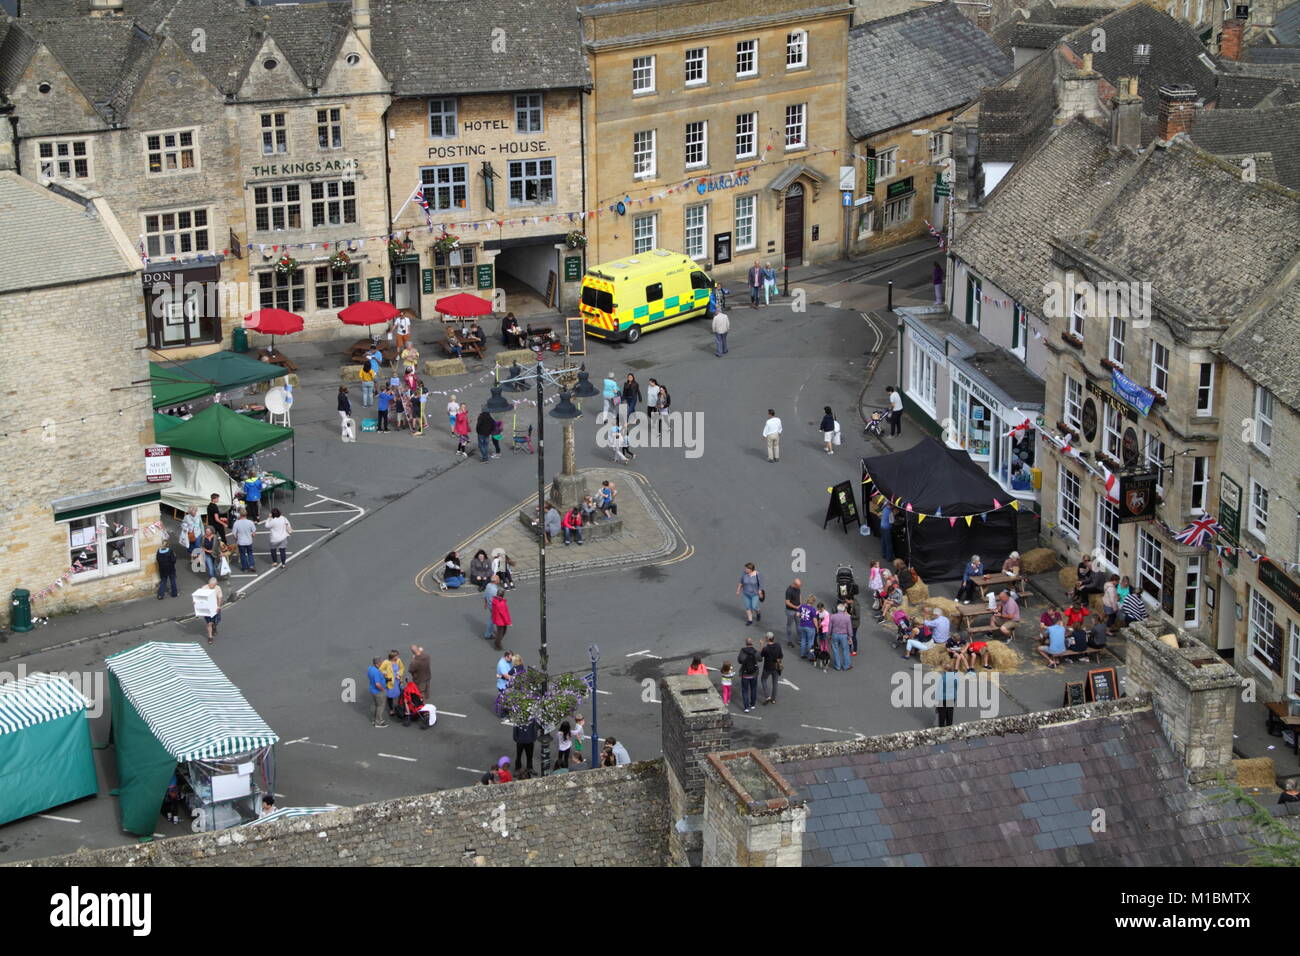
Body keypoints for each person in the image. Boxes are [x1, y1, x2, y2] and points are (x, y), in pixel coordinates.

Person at [737, 637, 760, 713]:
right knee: (753, 689)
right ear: (752, 643)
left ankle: (746, 707)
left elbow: (739, 660)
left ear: (746, 643)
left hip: (745, 674)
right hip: (754, 674)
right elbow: (760, 659)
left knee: (745, 691)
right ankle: (752, 704)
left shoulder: (742, 651)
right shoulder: (755, 651)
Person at [380, 650, 405, 717]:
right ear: (393, 656)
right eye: (397, 656)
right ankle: (391, 709)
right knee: (390, 696)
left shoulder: (398, 661)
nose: (398, 657)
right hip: (390, 682)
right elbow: (381, 669)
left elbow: (402, 668)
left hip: (397, 681)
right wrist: (385, 674)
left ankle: (399, 706)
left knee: (400, 694)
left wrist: (399, 674)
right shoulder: (386, 662)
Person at [759, 632, 784, 703]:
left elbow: (759, 656)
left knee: (763, 680)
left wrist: (761, 645)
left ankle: (767, 696)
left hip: (767, 667)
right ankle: (773, 699)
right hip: (776, 667)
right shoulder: (778, 645)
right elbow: (781, 656)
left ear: (767, 639)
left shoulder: (766, 648)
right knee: (775, 683)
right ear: (773, 638)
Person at [829, 603, 853, 671]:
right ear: (844, 609)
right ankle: (846, 666)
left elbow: (830, 627)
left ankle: (837, 666)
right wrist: (850, 637)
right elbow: (849, 628)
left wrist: (829, 635)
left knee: (835, 650)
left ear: (837, 609)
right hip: (843, 635)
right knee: (845, 650)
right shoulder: (847, 617)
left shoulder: (833, 616)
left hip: (835, 634)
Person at [937, 658, 958, 727]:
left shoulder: (943, 678)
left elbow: (940, 689)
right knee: (949, 711)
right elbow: (956, 686)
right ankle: (949, 725)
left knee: (942, 713)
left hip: (943, 698)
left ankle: (941, 726)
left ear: (945, 670)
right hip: (952, 697)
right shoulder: (955, 677)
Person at [201, 577, 222, 645]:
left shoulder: (218, 588)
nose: (211, 586)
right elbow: (199, 597)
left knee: (216, 621)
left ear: (216, 584)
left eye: (213, 585)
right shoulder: (204, 588)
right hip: (207, 608)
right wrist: (195, 602)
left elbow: (219, 598)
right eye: (210, 584)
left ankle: (214, 626)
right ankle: (210, 637)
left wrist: (218, 606)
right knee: (209, 623)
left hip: (215, 607)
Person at [796, 595, 817, 660]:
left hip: (802, 626)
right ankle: (811, 656)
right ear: (813, 602)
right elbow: (815, 620)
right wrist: (817, 627)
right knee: (811, 642)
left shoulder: (802, 606)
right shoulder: (813, 609)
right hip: (810, 627)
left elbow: (797, 614)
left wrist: (802, 617)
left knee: (803, 640)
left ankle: (802, 654)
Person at [783, 577, 802, 647]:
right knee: (789, 626)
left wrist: (801, 603)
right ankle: (789, 641)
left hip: (797, 610)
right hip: (790, 611)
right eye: (799, 586)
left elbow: (799, 595)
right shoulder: (789, 591)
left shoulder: (798, 588)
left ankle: (800, 640)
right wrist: (796, 607)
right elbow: (787, 602)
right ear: (795, 584)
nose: (800, 587)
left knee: (799, 625)